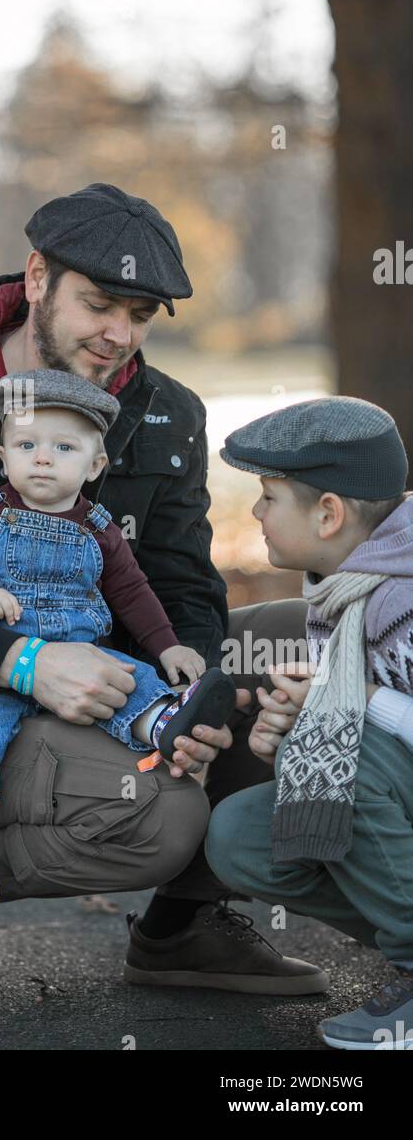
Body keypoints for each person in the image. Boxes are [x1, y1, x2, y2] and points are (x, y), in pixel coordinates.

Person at [0, 182, 326, 1002]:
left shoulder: (165, 413)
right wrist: (21, 662)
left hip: (105, 683)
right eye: (99, 304)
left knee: (303, 636)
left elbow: (177, 579)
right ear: (35, 279)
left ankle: (182, 929)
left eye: (141, 315)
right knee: (164, 820)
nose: (119, 336)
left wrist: (194, 692)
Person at [0, 368, 236, 913]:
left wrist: (166, 647)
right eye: (26, 445)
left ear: (94, 466)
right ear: (4, 458)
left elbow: (132, 591)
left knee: (132, 678)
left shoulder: (99, 527)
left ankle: (159, 722)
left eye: (62, 448)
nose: (41, 458)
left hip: (82, 655)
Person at [204, 395, 413, 1050]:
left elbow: (366, 718)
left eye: (270, 496)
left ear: (328, 513)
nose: (257, 513)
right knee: (239, 834)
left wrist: (345, 703)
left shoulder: (402, 598)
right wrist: (296, 723)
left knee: (334, 744)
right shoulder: (344, 585)